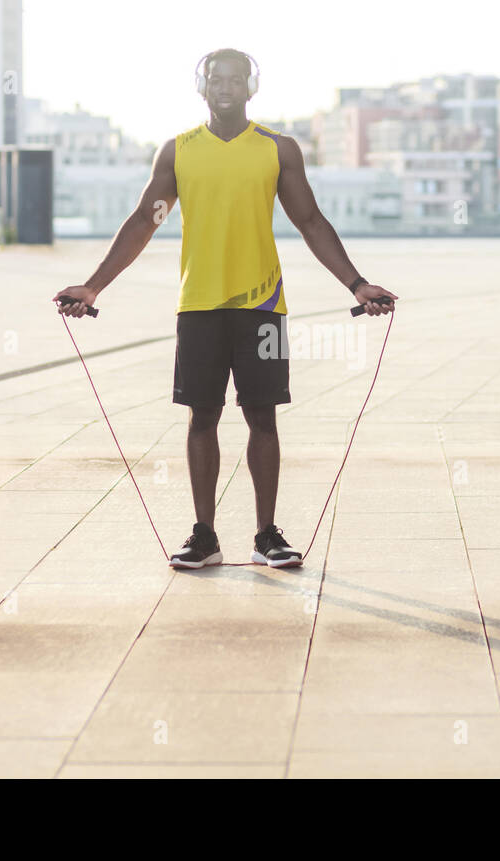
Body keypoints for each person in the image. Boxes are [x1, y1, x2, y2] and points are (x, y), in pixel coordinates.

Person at [54, 48, 397, 570]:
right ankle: (204, 536)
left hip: (264, 305)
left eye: (236, 80)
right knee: (201, 417)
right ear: (202, 86)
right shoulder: (178, 151)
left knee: (263, 417)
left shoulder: (278, 150)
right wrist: (93, 286)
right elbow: (145, 221)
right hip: (199, 305)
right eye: (217, 79)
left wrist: (356, 283)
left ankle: (266, 537)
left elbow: (310, 220)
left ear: (251, 87)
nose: (226, 88)